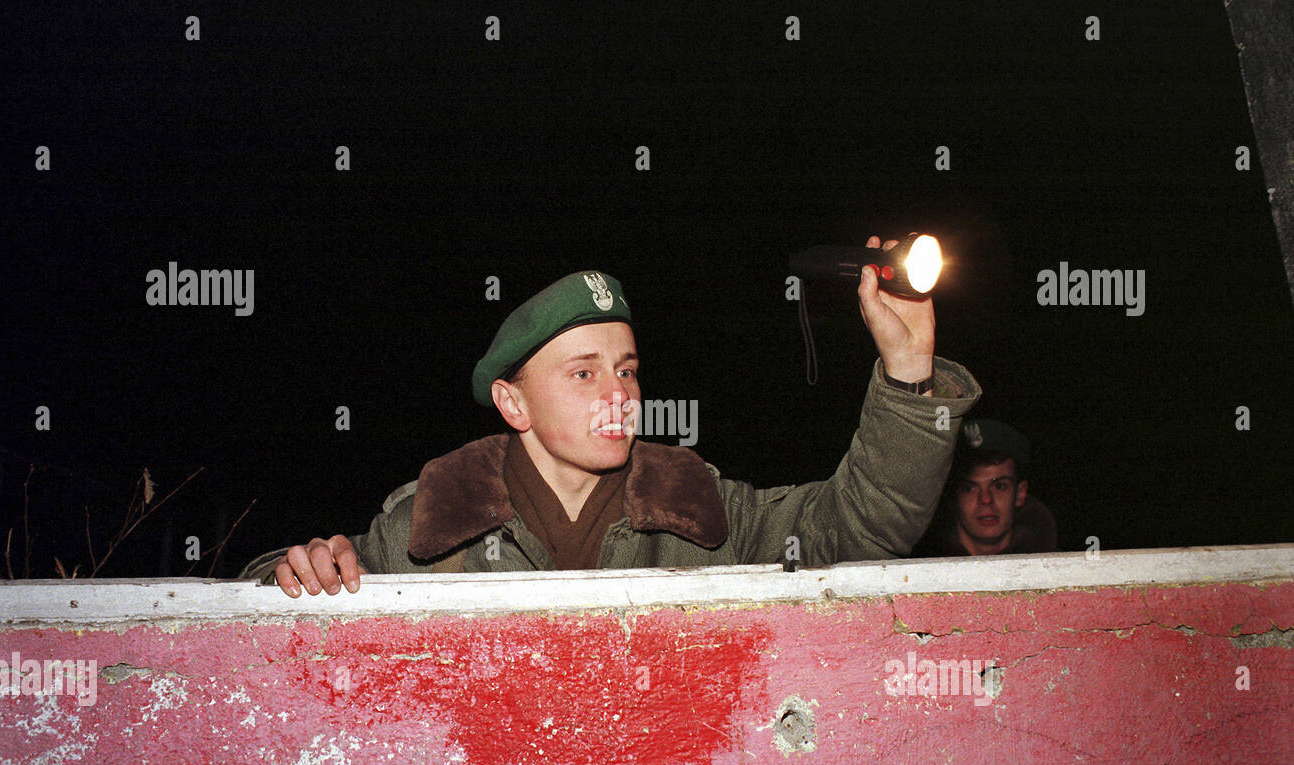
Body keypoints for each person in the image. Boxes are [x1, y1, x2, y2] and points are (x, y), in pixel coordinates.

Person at [241, 237, 982, 596]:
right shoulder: (431, 523)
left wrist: (908, 370)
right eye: (583, 373)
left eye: (626, 370)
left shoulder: (700, 510)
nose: (617, 393)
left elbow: (860, 528)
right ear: (513, 402)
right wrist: (288, 572)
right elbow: (263, 596)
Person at [912, 418, 1058, 556]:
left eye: (999, 486)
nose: (986, 499)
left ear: (1020, 493)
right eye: (969, 488)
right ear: (952, 496)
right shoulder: (913, 570)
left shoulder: (1062, 569)